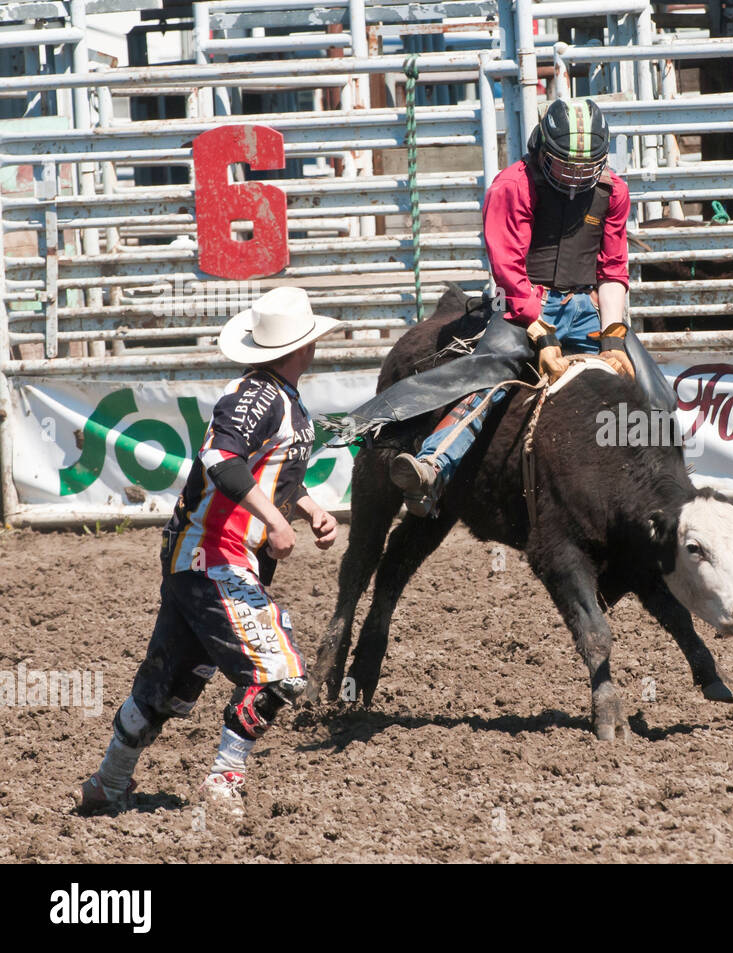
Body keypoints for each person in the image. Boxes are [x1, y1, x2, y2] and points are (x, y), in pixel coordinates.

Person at [75, 286, 343, 817]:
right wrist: (273, 521)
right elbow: (222, 458)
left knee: (167, 685)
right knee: (280, 672)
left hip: (197, 560)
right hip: (216, 558)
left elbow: (265, 474)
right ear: (305, 346)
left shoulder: (280, 399)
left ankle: (108, 782)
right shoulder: (261, 395)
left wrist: (307, 508)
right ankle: (224, 781)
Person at [389, 97, 635, 517]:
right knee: (493, 373)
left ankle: (653, 481)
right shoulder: (512, 185)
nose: (577, 175)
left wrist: (613, 337)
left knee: (638, 382)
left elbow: (612, 268)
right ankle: (433, 465)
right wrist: (541, 332)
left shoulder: (614, 192)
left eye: (586, 165)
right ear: (543, 151)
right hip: (524, 302)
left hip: (585, 302)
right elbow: (508, 267)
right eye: (566, 164)